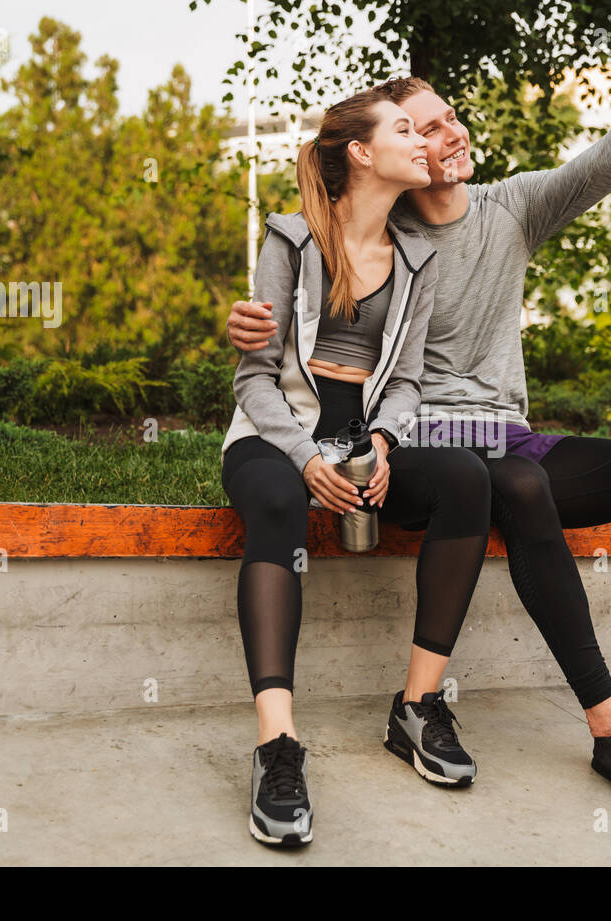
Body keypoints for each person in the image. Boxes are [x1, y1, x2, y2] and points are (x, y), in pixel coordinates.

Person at [227, 16, 611, 817]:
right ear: (387, 152)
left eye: (447, 118)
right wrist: (248, 332)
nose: (445, 134)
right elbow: (301, 327)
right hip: (430, 440)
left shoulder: (511, 208)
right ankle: (610, 724)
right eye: (421, 126)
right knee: (514, 484)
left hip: (503, 430)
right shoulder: (382, 233)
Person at [221, 84, 493, 846]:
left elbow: (403, 381)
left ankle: (417, 707)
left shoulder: (416, 258)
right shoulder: (291, 239)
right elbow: (252, 379)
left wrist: (383, 445)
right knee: (276, 502)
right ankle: (278, 746)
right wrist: (307, 458)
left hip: (363, 444)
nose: (424, 142)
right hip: (276, 440)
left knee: (468, 479)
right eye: (406, 129)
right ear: (362, 152)